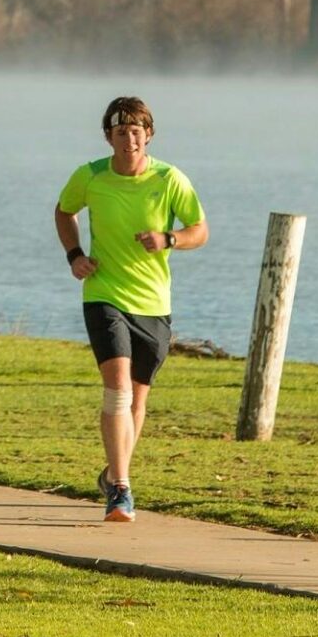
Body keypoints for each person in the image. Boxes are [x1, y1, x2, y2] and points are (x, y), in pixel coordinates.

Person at [54, 95, 206, 522]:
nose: (129, 140)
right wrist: (74, 255)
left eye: (136, 132)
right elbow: (64, 212)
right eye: (121, 132)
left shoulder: (170, 179)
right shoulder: (90, 176)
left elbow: (200, 229)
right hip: (104, 293)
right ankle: (121, 489)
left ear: (148, 135)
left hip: (154, 303)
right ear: (109, 137)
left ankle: (112, 471)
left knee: (138, 400)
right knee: (118, 387)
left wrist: (170, 239)